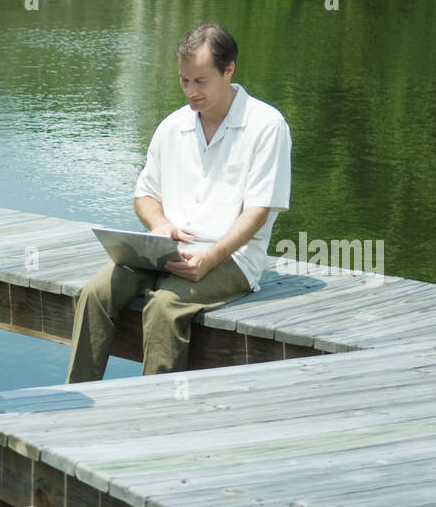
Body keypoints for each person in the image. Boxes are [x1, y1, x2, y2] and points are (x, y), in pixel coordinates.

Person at [67, 22, 292, 382]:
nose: (191, 91)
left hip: (232, 258)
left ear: (228, 70)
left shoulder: (266, 125)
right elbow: (145, 195)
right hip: (165, 249)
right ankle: (74, 398)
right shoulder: (172, 126)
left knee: (164, 305)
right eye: (184, 80)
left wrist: (209, 257)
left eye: (200, 80)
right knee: (95, 292)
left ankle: (154, 412)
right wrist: (159, 226)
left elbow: (258, 212)